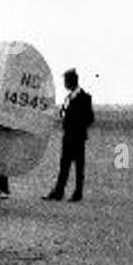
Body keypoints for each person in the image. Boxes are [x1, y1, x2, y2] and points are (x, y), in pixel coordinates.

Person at [43, 68, 93, 202]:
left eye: (66, 81)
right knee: (64, 165)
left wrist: (77, 127)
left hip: (77, 137)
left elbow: (89, 118)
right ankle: (58, 191)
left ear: (71, 81)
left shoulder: (84, 98)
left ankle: (78, 192)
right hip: (68, 137)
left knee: (78, 167)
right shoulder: (68, 98)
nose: (65, 84)